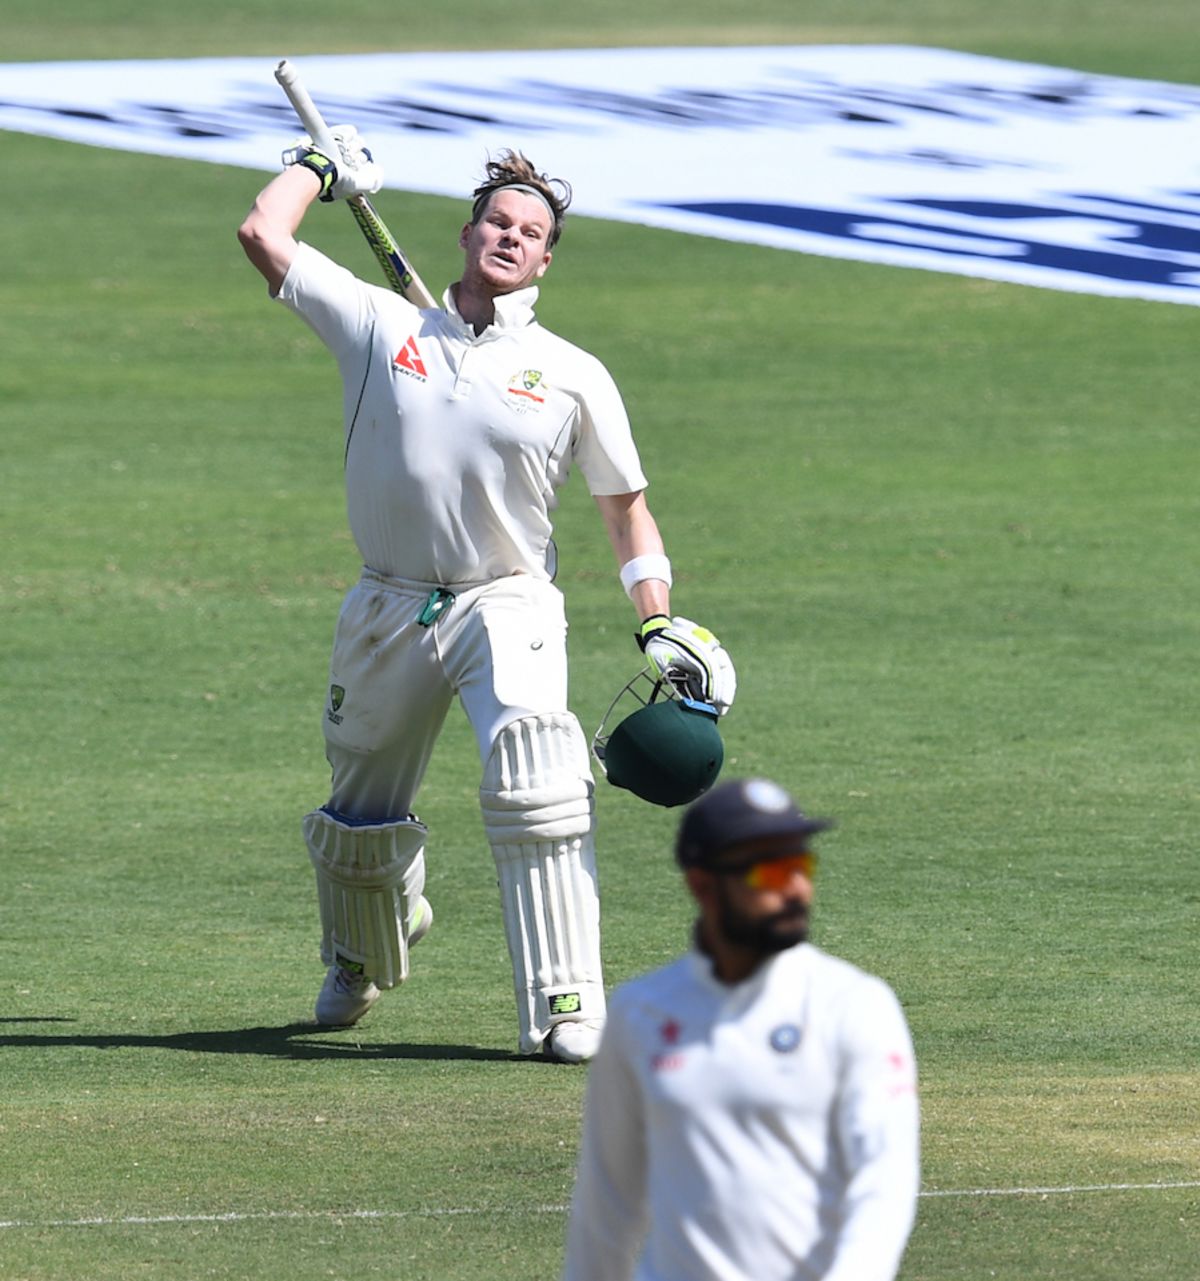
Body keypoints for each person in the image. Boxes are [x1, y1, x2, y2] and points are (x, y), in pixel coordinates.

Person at [237, 125, 735, 1063]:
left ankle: (564, 1003)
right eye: (495, 222)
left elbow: (627, 512)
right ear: (466, 237)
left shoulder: (574, 374)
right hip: (388, 602)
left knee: (540, 781)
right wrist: (318, 170)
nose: (509, 237)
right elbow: (263, 235)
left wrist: (657, 617)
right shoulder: (383, 326)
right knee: (358, 817)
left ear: (547, 256)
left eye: (529, 231)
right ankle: (360, 955)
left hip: (505, 602)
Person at [561, 777, 919, 1279]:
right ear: (703, 885)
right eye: (770, 872)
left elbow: (884, 1179)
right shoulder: (639, 1013)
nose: (795, 888)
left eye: (801, 866)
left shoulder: (855, 1006)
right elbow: (608, 1203)